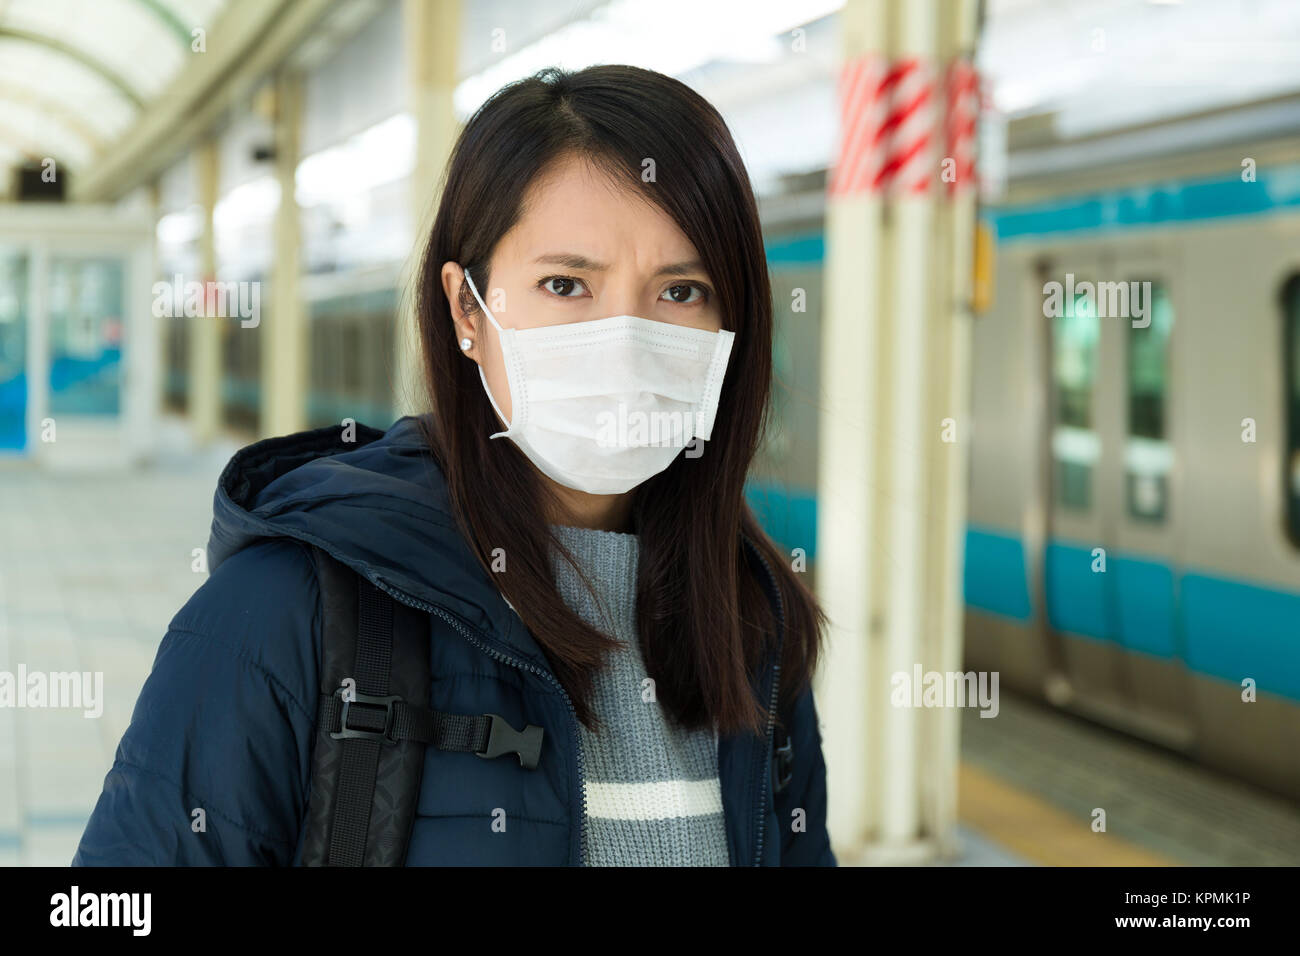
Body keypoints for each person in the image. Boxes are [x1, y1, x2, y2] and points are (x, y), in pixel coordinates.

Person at [73, 64, 834, 866]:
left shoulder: (751, 625)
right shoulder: (283, 611)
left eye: (680, 292)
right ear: (467, 310)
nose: (627, 339)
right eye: (566, 283)